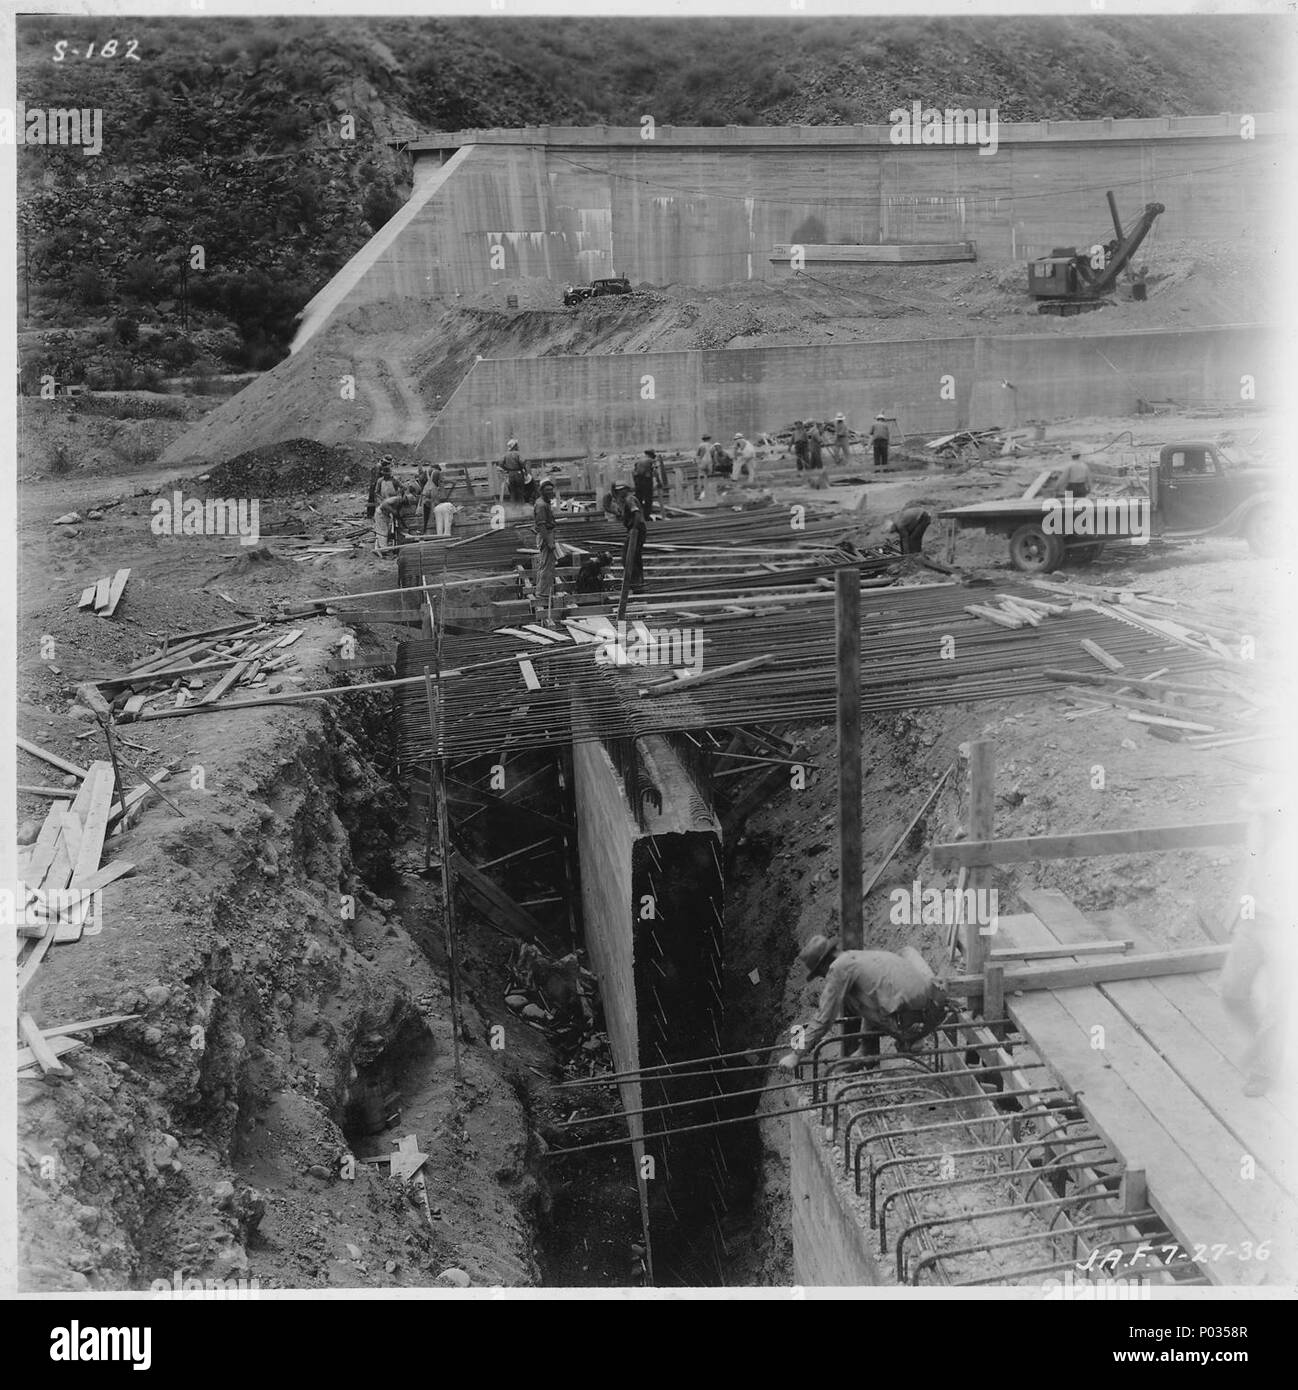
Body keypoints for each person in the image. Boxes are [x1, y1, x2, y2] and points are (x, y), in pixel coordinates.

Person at [777, 936, 947, 1071]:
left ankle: (910, 1041)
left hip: (913, 1021)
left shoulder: (839, 968)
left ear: (823, 966)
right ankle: (868, 1047)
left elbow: (823, 1018)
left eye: (820, 974)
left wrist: (795, 1054)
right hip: (930, 1009)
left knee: (851, 999)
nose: (824, 977)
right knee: (862, 994)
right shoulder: (857, 957)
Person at [1221, 778, 1290, 1098]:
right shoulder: (1257, 825)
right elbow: (1249, 871)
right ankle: (1263, 1046)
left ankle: (1265, 1070)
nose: (1263, 815)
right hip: (1253, 919)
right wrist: (1232, 914)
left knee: (1279, 1005)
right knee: (1232, 991)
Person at [608, 482, 647, 590]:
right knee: (635, 556)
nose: (619, 493)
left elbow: (637, 514)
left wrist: (634, 530)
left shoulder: (629, 499)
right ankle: (638, 581)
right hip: (636, 529)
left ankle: (635, 581)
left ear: (625, 490)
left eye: (620, 490)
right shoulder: (624, 500)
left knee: (628, 557)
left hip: (637, 529)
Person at [533, 479, 560, 607]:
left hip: (548, 534)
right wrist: (549, 542)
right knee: (547, 566)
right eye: (547, 490)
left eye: (551, 490)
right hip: (546, 535)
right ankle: (543, 594)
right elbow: (542, 525)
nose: (550, 492)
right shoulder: (541, 505)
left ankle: (541, 591)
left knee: (544, 565)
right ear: (542, 491)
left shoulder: (545, 502)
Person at [633, 449, 659, 518]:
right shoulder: (651, 461)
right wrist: (659, 481)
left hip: (638, 480)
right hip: (646, 480)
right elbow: (655, 472)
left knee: (638, 499)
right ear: (652, 455)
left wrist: (636, 482)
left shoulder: (638, 460)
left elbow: (634, 472)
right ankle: (646, 516)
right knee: (648, 499)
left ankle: (638, 515)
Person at [501, 438, 527, 504]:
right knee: (520, 491)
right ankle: (521, 506)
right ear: (514, 446)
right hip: (518, 473)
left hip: (510, 474)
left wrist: (507, 468)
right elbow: (522, 462)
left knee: (512, 491)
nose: (517, 446)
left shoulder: (506, 455)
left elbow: (501, 464)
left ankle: (513, 507)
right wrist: (523, 468)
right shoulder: (517, 454)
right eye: (516, 445)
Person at [805, 421, 826, 489]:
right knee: (819, 463)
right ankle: (821, 478)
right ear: (819, 426)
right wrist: (822, 436)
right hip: (815, 449)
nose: (823, 428)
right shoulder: (816, 432)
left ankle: (810, 478)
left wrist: (822, 434)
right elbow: (819, 440)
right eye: (822, 427)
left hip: (815, 449)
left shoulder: (816, 431)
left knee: (813, 464)